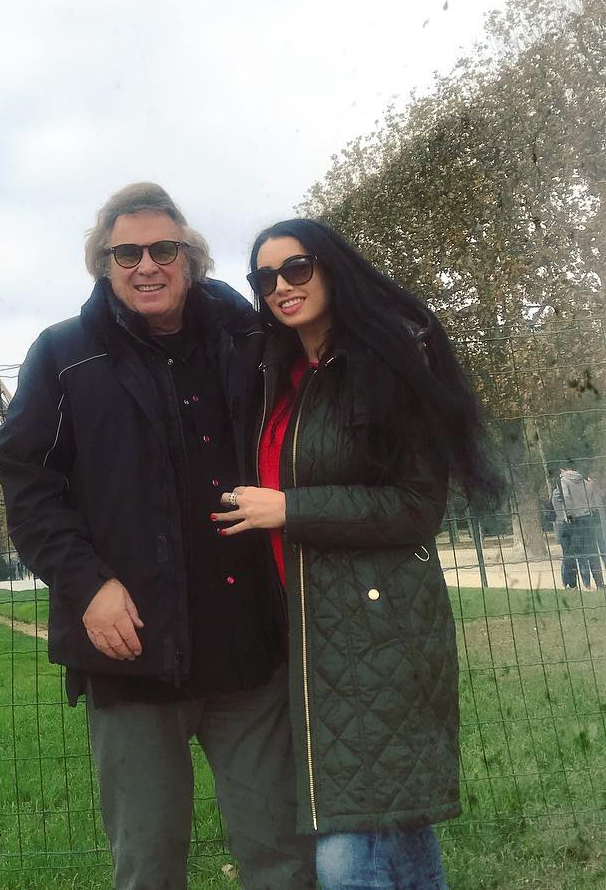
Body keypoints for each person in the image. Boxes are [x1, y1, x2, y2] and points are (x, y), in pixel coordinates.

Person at [0, 183, 314, 889]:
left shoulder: (250, 339)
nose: (147, 265)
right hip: (132, 653)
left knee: (283, 858)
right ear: (104, 264)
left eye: (164, 250)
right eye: (127, 254)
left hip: (247, 647)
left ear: (190, 258)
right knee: (148, 867)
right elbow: (28, 486)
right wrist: (87, 586)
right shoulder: (61, 355)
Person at [214, 218, 503, 890]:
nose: (280, 287)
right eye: (264, 278)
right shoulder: (282, 376)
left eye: (297, 269)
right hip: (311, 636)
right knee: (393, 830)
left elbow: (416, 507)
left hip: (377, 634)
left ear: (333, 269)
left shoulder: (387, 366)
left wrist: (291, 509)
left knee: (349, 855)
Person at [551, 462, 605, 590]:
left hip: (573, 520)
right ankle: (600, 583)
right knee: (592, 553)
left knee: (570, 554)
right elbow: (592, 500)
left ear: (563, 470)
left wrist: (569, 514)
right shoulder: (585, 482)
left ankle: (572, 585)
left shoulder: (563, 481)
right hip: (587, 519)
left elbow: (566, 497)